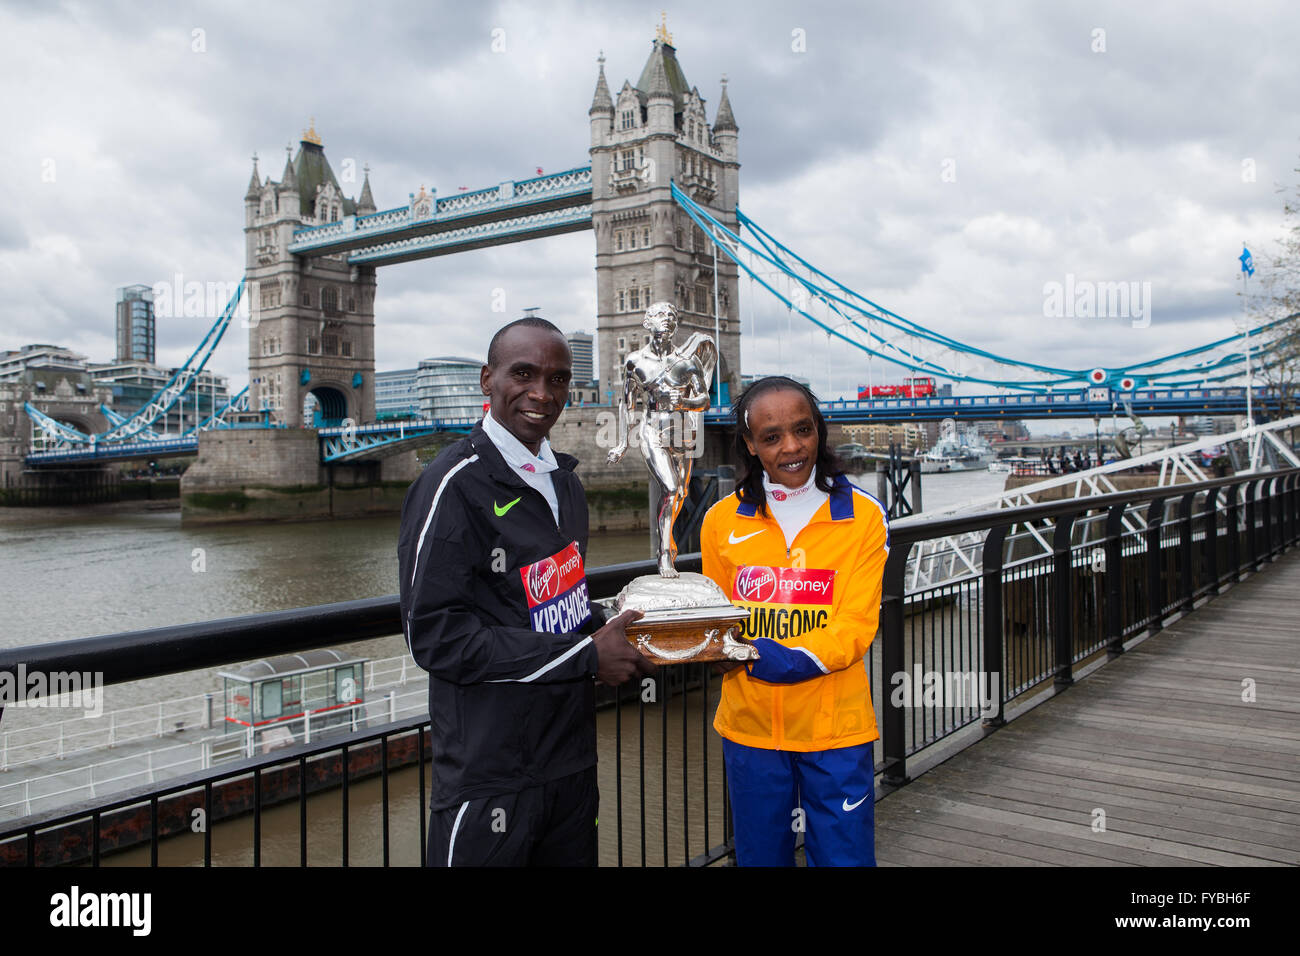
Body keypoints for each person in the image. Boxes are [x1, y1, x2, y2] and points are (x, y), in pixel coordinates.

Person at [397, 316, 655, 867]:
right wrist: (586, 656)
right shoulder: (451, 486)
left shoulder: (565, 481)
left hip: (570, 762)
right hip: (491, 776)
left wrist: (625, 640)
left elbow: (559, 605)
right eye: (523, 373)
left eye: (558, 379)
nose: (542, 393)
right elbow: (437, 638)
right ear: (487, 380)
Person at [699, 376, 889, 866]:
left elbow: (855, 624)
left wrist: (772, 658)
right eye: (771, 437)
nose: (791, 447)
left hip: (836, 733)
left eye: (803, 430)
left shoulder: (864, 518)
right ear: (749, 444)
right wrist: (713, 649)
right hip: (750, 730)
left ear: (819, 430)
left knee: (844, 860)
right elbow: (718, 617)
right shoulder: (721, 521)